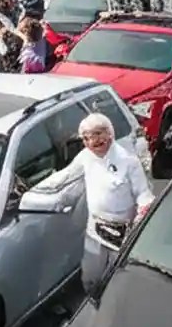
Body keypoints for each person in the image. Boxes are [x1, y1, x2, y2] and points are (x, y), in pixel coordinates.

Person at [63, 113, 154, 293]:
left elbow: (144, 195)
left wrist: (141, 217)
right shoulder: (85, 157)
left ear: (110, 133)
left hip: (122, 235)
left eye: (98, 134)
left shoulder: (129, 162)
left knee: (118, 282)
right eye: (87, 138)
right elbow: (64, 178)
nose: (93, 141)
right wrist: (30, 191)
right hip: (94, 232)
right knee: (90, 278)